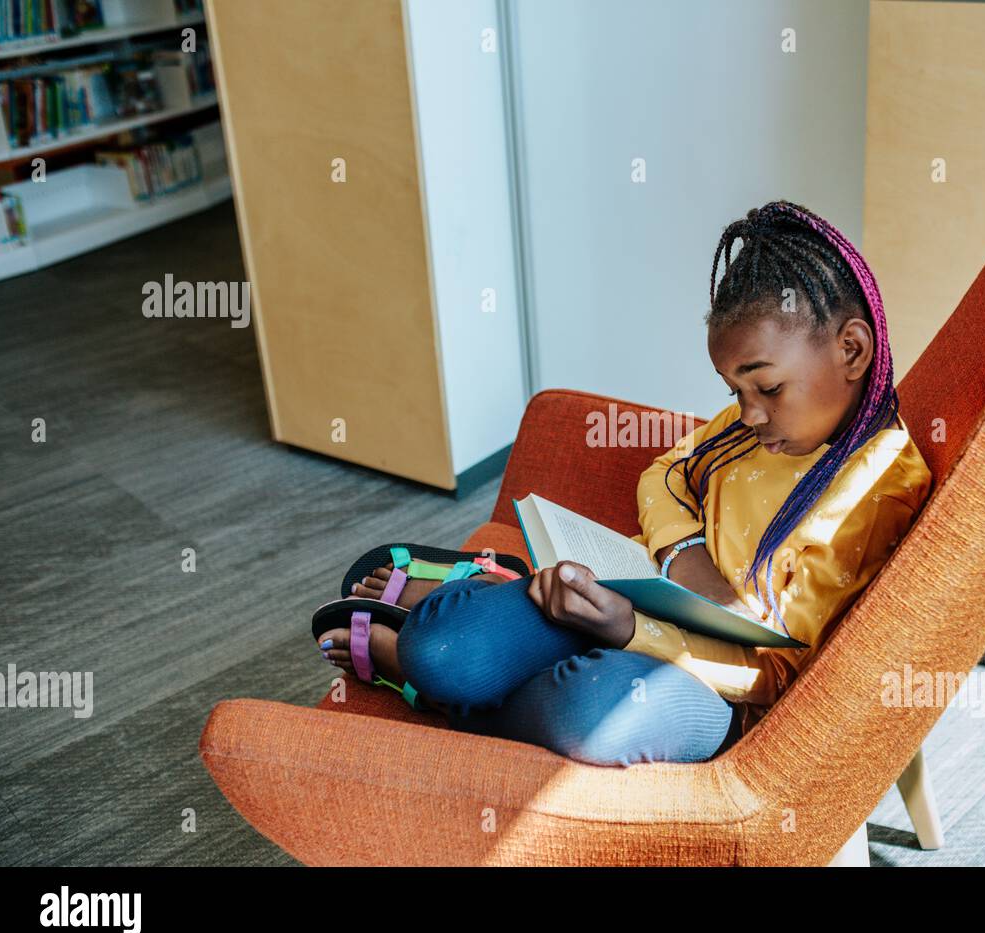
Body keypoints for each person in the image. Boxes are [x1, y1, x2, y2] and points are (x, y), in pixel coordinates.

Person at [314, 199, 933, 766]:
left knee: (589, 719)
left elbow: (777, 666)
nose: (749, 413)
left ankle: (461, 653)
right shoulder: (761, 424)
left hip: (716, 686)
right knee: (441, 650)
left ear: (852, 350)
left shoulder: (874, 491)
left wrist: (627, 630)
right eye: (735, 391)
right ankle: (487, 604)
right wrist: (686, 557)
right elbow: (665, 473)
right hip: (643, 597)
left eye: (766, 387)